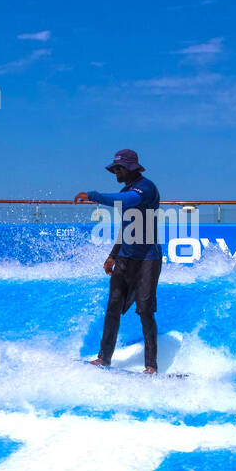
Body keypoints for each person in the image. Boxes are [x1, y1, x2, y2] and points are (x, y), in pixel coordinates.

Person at [75, 149, 162, 374]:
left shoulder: (145, 189)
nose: (115, 172)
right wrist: (113, 255)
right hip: (124, 258)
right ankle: (104, 357)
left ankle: (151, 365)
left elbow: (125, 199)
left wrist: (94, 195)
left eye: (119, 168)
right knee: (112, 307)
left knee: (145, 311)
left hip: (147, 260)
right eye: (114, 169)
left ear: (131, 168)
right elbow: (126, 230)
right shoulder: (127, 190)